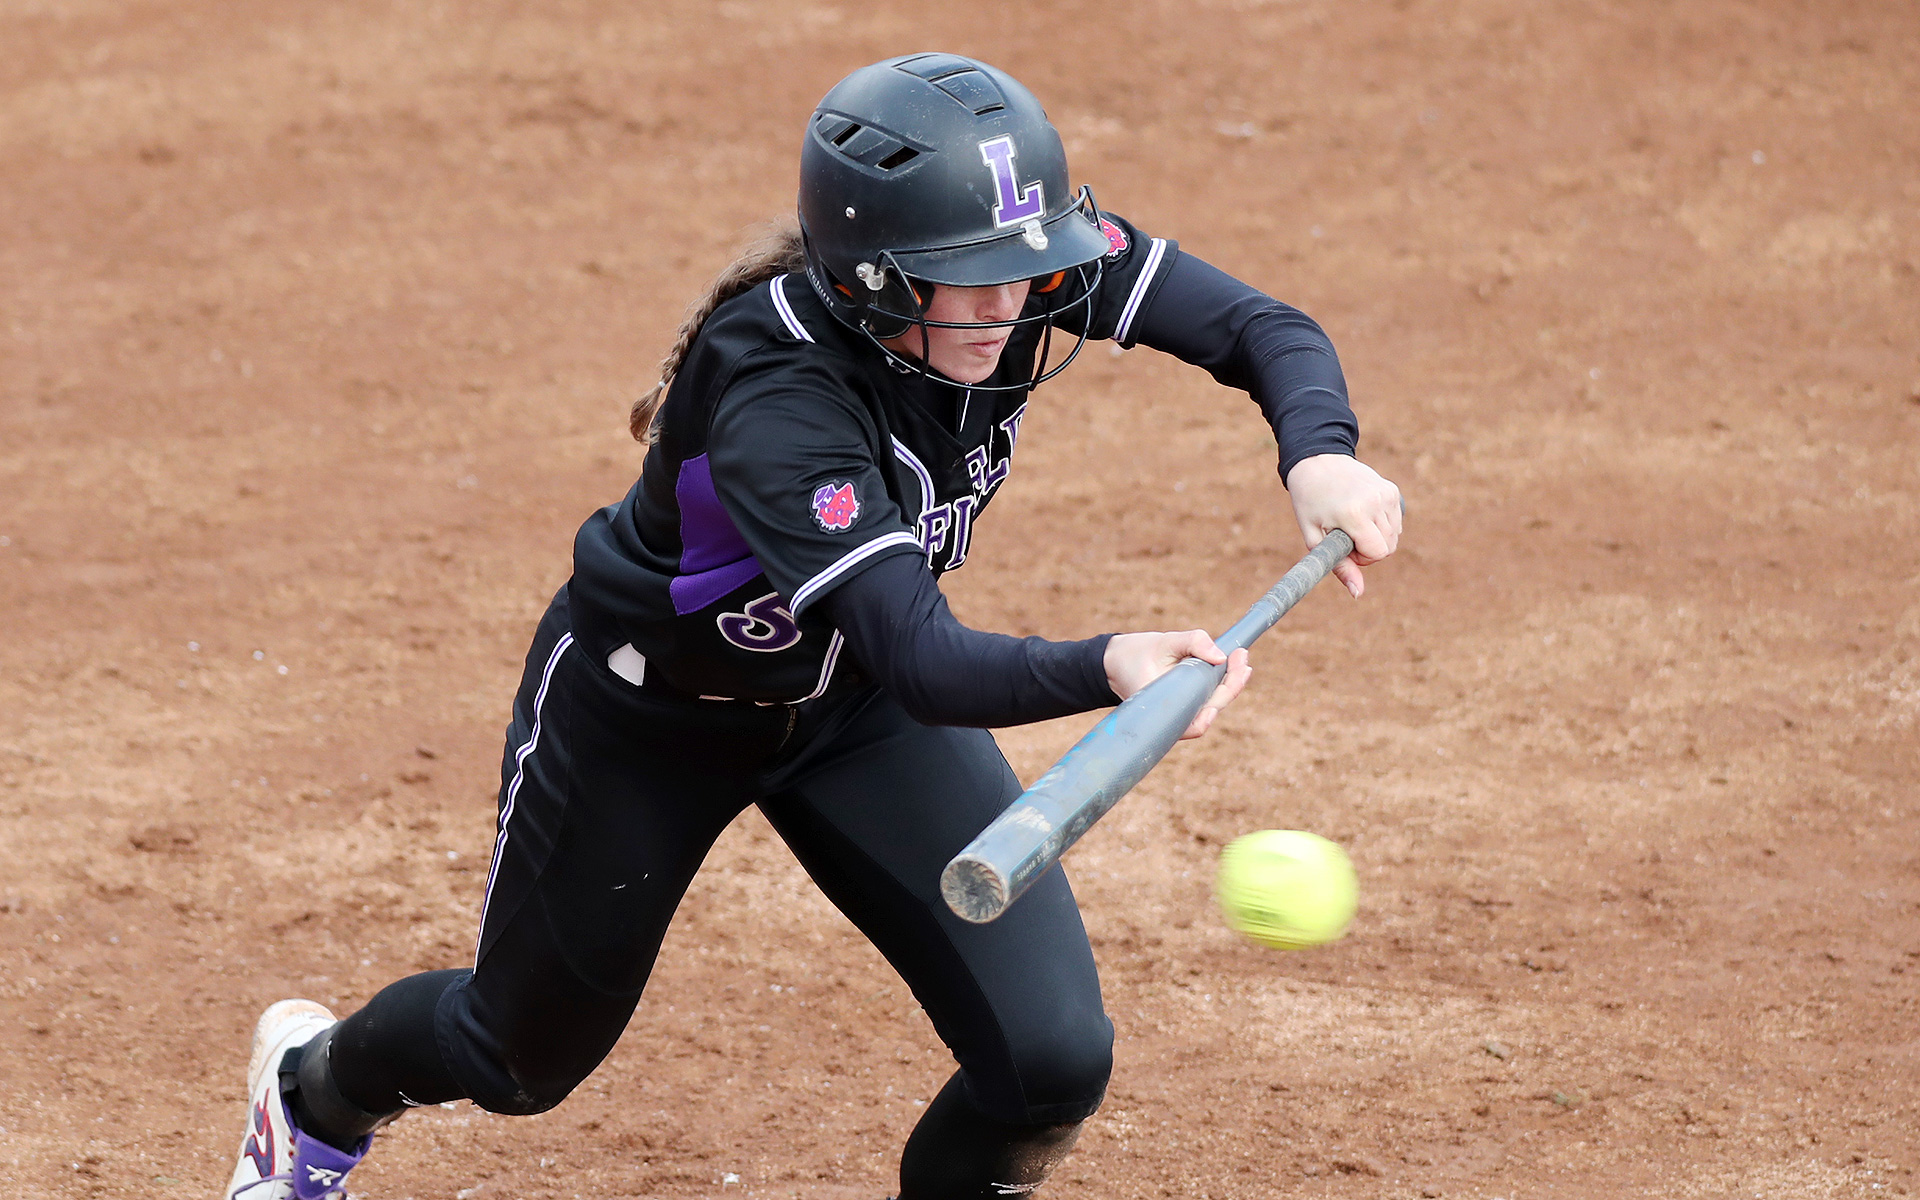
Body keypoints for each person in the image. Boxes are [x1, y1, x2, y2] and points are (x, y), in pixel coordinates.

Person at [224, 52, 1401, 1200]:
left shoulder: (1013, 272)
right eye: (975, 276)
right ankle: (312, 1096)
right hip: (655, 718)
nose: (1013, 302)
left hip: (851, 709)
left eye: (1028, 264)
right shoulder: (780, 403)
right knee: (518, 1057)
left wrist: (1322, 454)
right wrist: (1115, 664)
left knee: (1048, 1066)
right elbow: (926, 660)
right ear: (873, 276)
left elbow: (1260, 326)